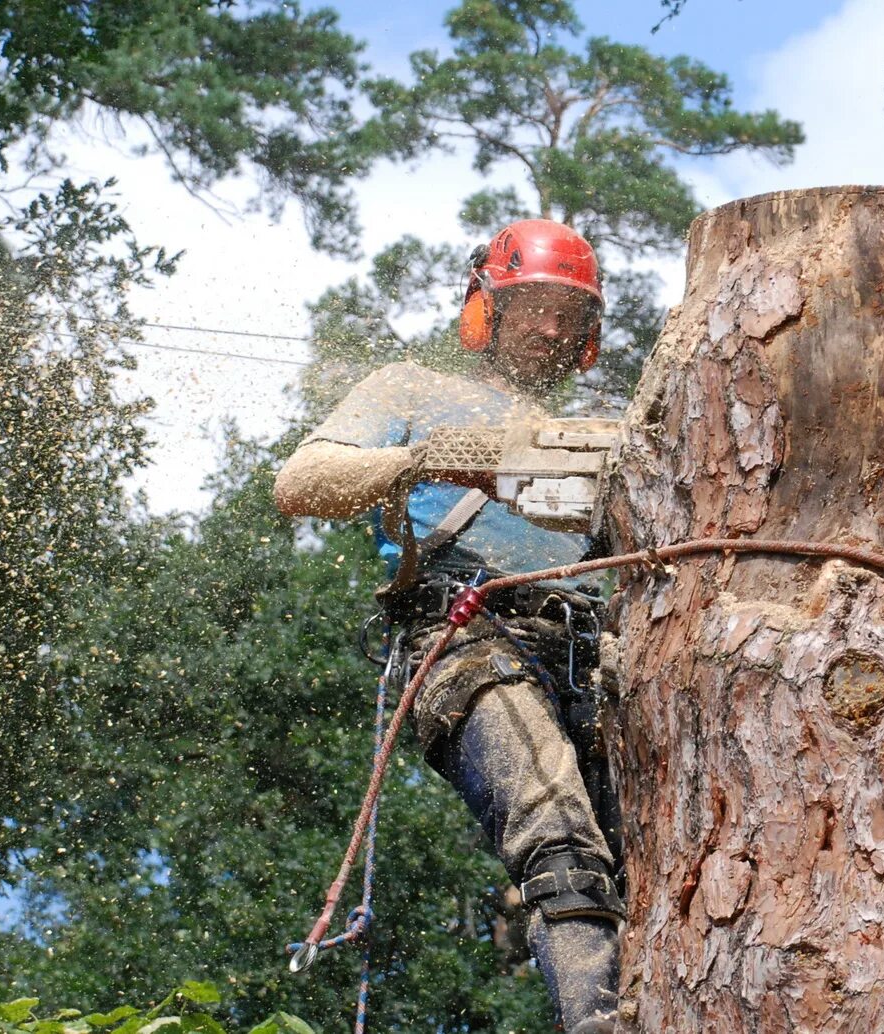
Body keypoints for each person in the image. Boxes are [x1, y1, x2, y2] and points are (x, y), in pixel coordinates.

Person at [273, 219, 621, 1033]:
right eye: (530, 306)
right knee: (557, 833)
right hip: (464, 637)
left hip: (590, 657)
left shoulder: (604, 439)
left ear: (587, 339)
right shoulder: (410, 390)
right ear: (484, 310)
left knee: (644, 869)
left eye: (566, 317)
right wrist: (421, 460)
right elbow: (301, 481)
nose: (547, 328)